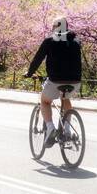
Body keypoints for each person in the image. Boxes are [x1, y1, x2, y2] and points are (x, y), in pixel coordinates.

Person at [24, 20, 83, 148]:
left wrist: (29, 73)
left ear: (56, 27)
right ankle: (68, 130)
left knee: (45, 101)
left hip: (56, 79)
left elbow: (38, 59)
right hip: (75, 81)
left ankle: (50, 128)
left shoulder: (49, 41)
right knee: (65, 98)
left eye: (53, 26)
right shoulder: (76, 41)